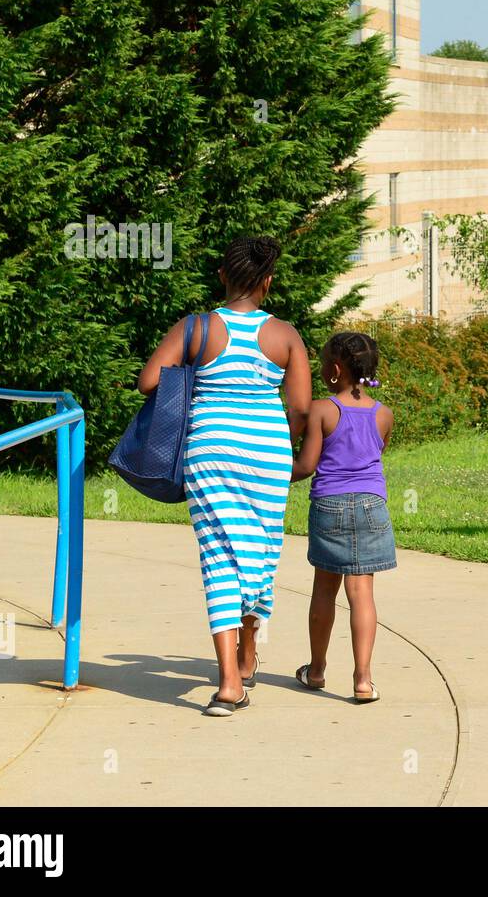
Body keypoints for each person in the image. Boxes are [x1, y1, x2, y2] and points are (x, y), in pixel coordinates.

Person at [137, 236, 311, 716]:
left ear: (222, 277)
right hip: (268, 455)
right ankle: (246, 651)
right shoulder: (285, 335)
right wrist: (283, 452)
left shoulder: (196, 327)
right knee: (261, 549)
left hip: (209, 451)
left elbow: (149, 380)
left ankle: (230, 683)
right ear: (268, 283)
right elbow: (299, 410)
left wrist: (196, 378)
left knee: (218, 558)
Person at [291, 331, 395, 703]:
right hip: (372, 505)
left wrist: (272, 472)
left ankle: (316, 670)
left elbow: (306, 466)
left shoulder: (322, 410)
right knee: (361, 592)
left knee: (324, 589)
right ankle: (363, 680)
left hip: (330, 506)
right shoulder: (383, 414)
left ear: (335, 370)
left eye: (321, 363)